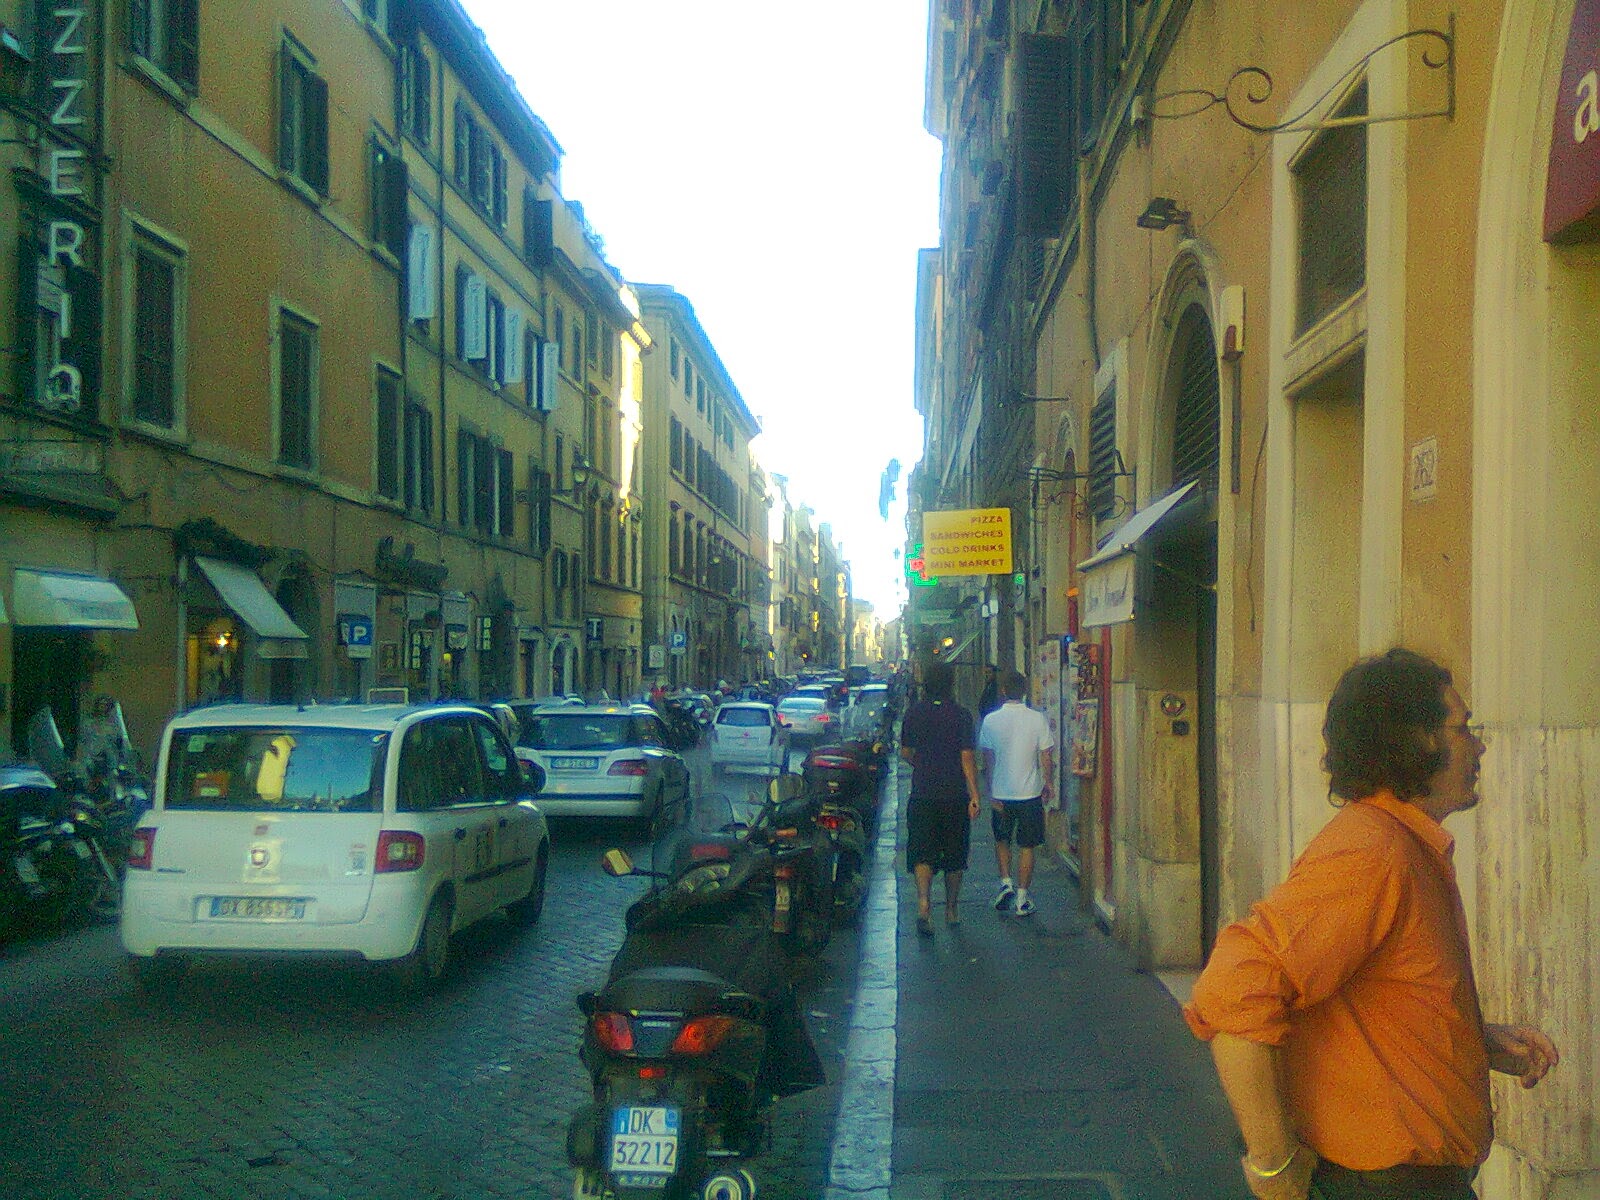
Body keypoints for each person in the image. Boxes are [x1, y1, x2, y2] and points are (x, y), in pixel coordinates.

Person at [1184, 648, 1559, 1200]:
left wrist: (1474, 1041)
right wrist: (1272, 1166)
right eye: (1464, 728)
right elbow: (1234, 987)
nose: (1479, 745)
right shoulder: (1374, 853)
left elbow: (1371, 1001)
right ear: (1416, 741)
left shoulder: (1399, 845)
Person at [899, 661, 982, 936]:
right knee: (955, 854)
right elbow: (967, 756)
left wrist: (921, 765)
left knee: (923, 851)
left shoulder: (914, 714)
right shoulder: (961, 715)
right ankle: (951, 909)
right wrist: (974, 793)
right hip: (954, 794)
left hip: (923, 792)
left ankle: (924, 906)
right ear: (950, 684)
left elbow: (906, 752)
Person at [978, 669, 1054, 917]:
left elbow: (987, 759)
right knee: (1027, 846)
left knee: (1002, 840)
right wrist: (1048, 782)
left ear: (1002, 692)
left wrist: (991, 790)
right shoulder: (1037, 719)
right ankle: (1022, 898)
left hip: (1001, 792)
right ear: (1024, 691)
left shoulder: (990, 720)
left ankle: (1005, 884)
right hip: (1030, 793)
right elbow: (1046, 755)